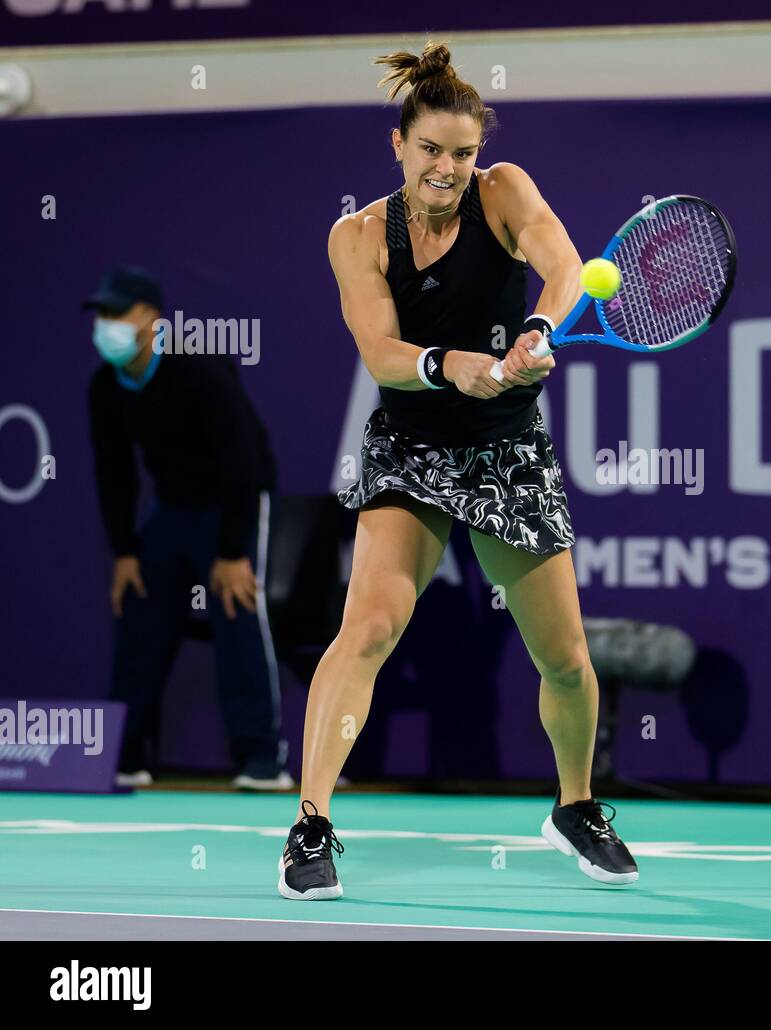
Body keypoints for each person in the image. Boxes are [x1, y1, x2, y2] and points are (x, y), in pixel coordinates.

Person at [277, 40, 638, 900]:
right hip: (411, 442)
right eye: (431, 150)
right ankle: (310, 824)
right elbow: (379, 349)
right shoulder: (357, 235)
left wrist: (541, 332)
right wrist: (451, 365)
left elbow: (560, 266)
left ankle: (575, 805)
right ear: (397, 145)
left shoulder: (504, 190)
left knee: (565, 660)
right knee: (366, 628)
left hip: (506, 448)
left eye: (462, 152)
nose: (447, 167)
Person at [86, 265, 290, 790]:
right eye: (102, 314)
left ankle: (260, 762)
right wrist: (124, 551)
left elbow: (243, 461)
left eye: (118, 313)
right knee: (140, 610)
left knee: (235, 608)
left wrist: (231, 552)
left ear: (152, 320)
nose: (106, 324)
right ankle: (126, 759)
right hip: (173, 509)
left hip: (233, 503)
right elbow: (115, 474)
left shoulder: (198, 369)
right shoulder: (105, 388)